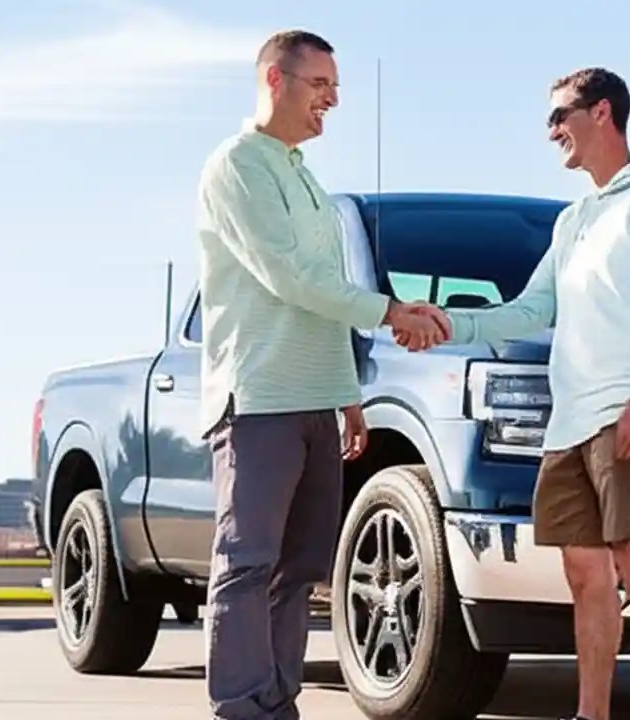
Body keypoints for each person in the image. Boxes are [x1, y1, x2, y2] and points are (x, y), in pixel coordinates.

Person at [398, 67, 630, 720]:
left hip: (627, 413)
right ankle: (591, 714)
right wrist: (450, 324)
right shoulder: (574, 221)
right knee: (584, 574)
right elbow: (530, 310)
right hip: (570, 424)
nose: (551, 129)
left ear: (603, 113)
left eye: (561, 115)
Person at [195, 29, 448, 720]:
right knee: (247, 562)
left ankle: (277, 702)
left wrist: (348, 398)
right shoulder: (237, 166)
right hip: (260, 400)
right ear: (275, 80)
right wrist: (391, 310)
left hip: (314, 402)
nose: (332, 99)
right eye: (320, 84)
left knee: (300, 569)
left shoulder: (305, 178)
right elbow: (290, 278)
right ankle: (240, 706)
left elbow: (327, 294)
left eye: (335, 87)